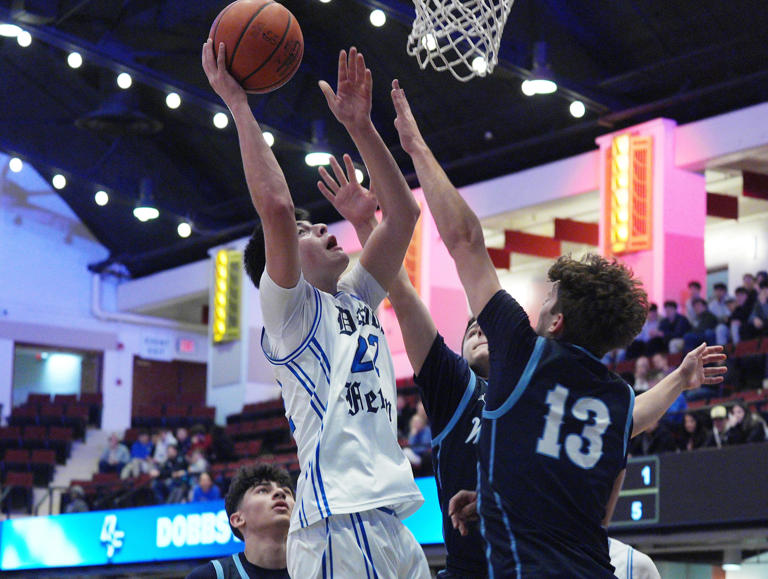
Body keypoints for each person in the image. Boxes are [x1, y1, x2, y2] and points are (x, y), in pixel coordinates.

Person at [385, 82, 726, 578]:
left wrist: (416, 146)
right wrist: (679, 378)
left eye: (546, 300)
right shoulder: (613, 396)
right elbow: (639, 417)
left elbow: (464, 239)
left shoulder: (523, 355)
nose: (537, 307)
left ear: (557, 321)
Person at [202, 43, 428, 578]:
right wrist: (237, 103)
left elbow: (402, 215)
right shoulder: (290, 312)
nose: (324, 227)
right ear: (281, 267)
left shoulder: (354, 294)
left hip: (388, 519)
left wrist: (360, 126)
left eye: (318, 224)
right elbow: (276, 208)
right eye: (306, 232)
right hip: (336, 522)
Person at [185, 464, 293, 578]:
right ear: (238, 519)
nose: (280, 493)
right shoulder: (208, 576)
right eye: (263, 490)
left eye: (287, 492)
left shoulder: (312, 570)